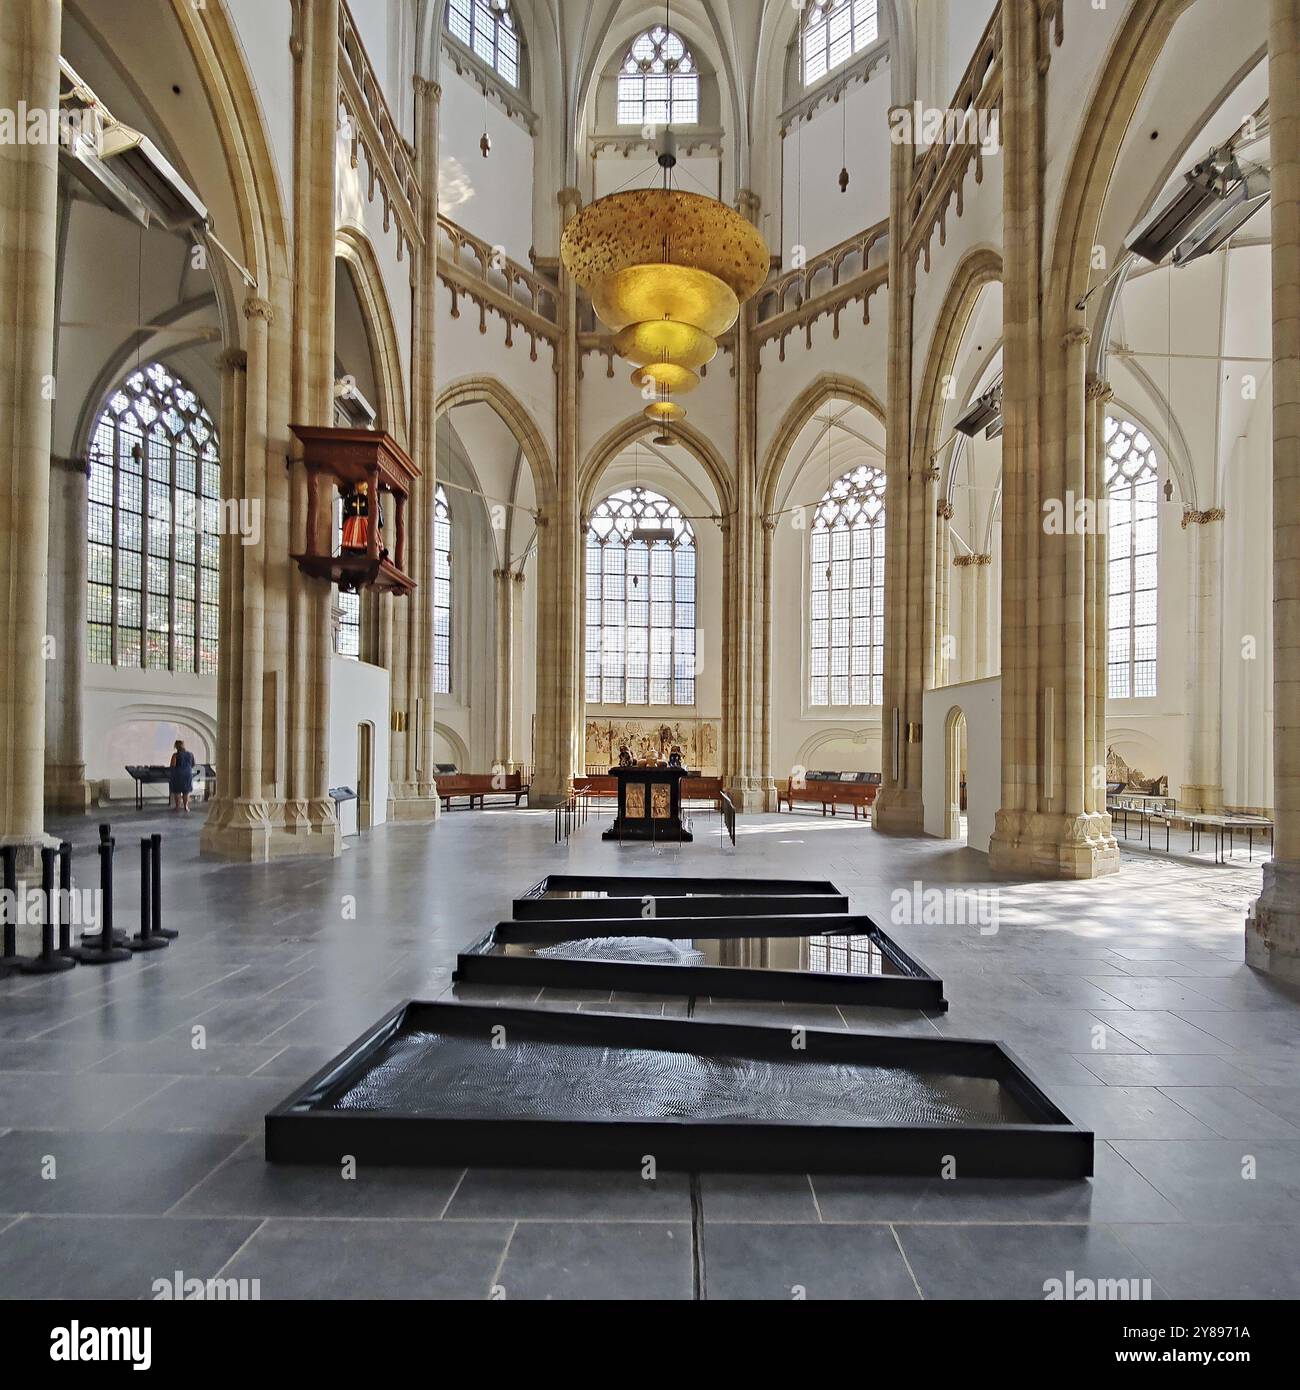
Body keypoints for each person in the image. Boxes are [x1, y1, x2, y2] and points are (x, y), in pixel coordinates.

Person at [169, 739, 196, 813]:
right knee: (186, 791)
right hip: (188, 774)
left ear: (176, 746)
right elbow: (193, 764)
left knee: (177, 791)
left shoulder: (175, 755)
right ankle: (186, 807)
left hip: (177, 774)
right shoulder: (191, 754)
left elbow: (173, 765)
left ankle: (177, 807)